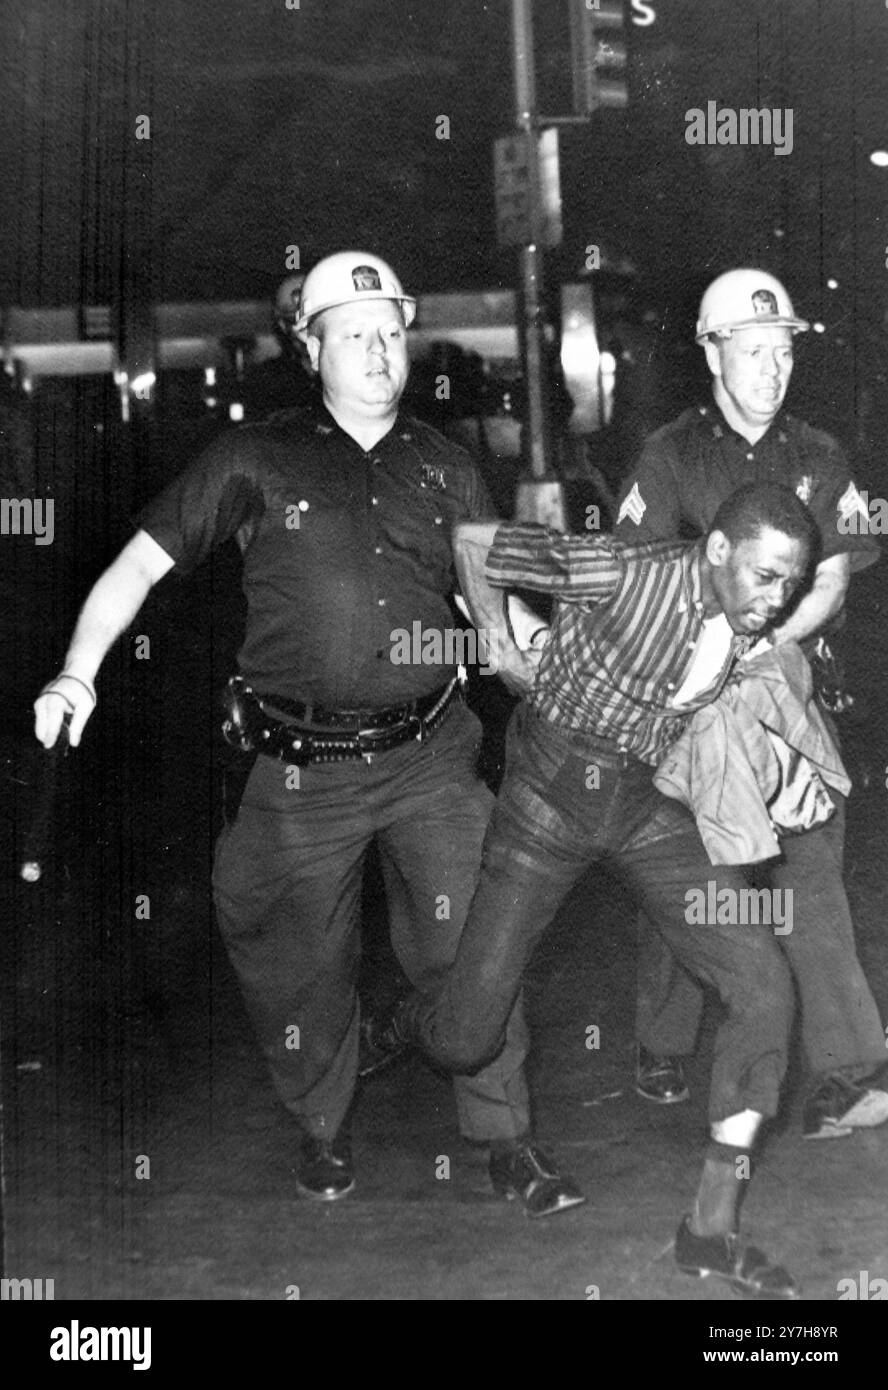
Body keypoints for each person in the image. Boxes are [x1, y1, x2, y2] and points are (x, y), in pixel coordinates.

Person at [33, 250, 583, 1217]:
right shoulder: (251, 457)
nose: (377, 348)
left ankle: (506, 1134)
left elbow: (497, 614)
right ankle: (324, 1127)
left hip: (431, 755)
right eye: (354, 331)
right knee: (295, 966)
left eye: (391, 331)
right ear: (311, 344)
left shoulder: (445, 466)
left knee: (477, 940)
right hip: (299, 769)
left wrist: (563, 663)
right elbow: (133, 569)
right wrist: (78, 671)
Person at [371, 483, 823, 1297]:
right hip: (548, 798)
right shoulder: (621, 570)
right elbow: (477, 540)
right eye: (764, 576)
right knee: (468, 1037)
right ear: (717, 551)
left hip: (648, 806)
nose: (775, 598)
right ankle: (412, 1018)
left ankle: (709, 1231)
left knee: (764, 986)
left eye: (789, 584)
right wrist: (504, 651)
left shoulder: (750, 617)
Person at [614, 268, 887, 1139]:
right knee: (698, 880)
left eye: (784, 352)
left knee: (810, 879)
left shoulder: (819, 454)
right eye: (754, 350)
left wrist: (764, 639)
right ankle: (662, 1038)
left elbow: (838, 574)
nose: (774, 368)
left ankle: (851, 1072)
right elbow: (634, 572)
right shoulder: (672, 455)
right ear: (711, 352)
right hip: (694, 710)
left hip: (792, 704)